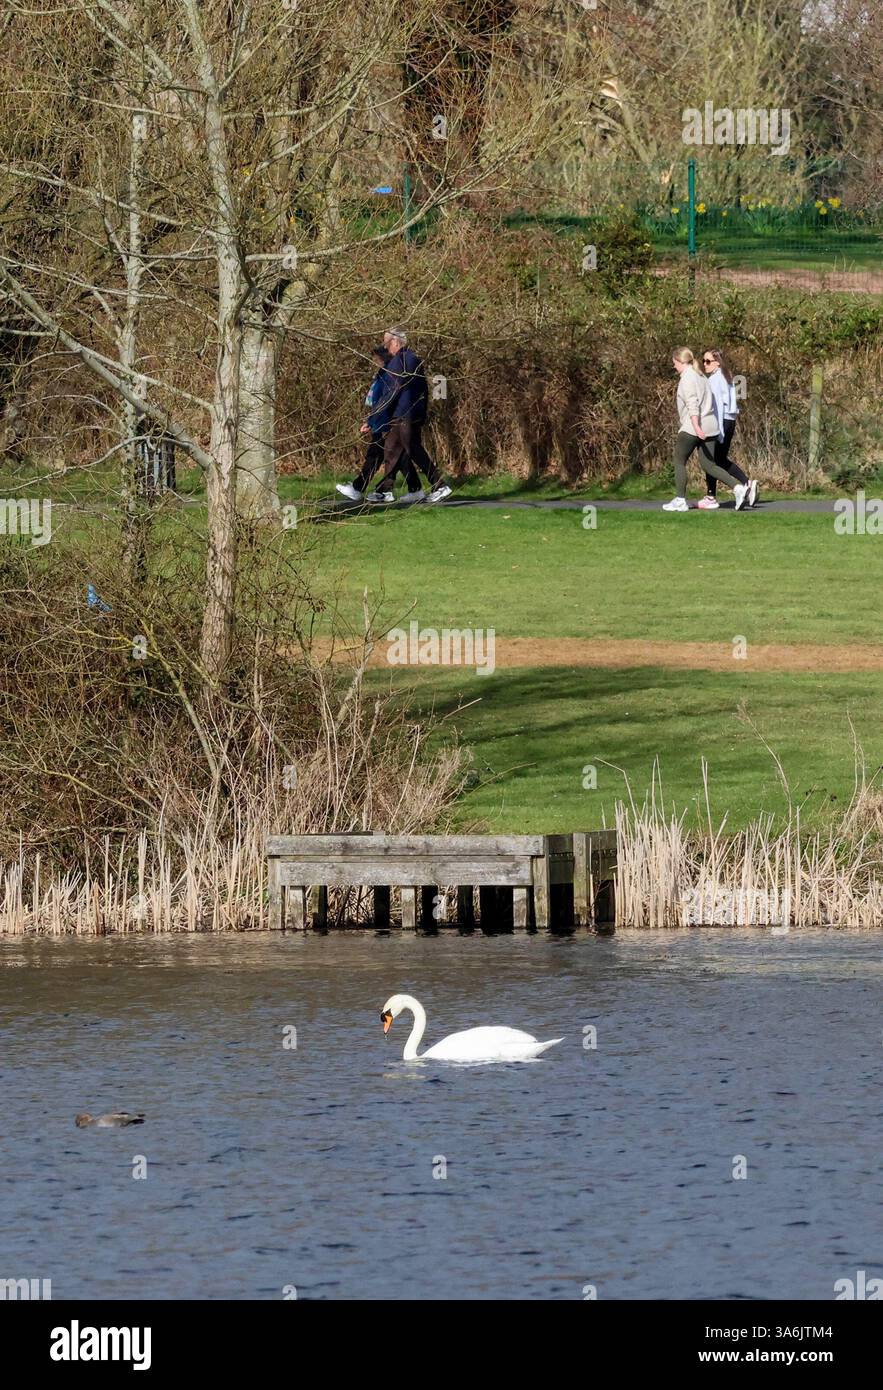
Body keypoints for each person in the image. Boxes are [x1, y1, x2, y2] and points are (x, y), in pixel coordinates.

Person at [371, 326, 452, 504]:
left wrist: (377, 414)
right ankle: (387, 490)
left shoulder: (401, 360)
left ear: (395, 342)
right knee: (391, 449)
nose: (385, 348)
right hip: (407, 412)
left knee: (413, 448)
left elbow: (392, 390)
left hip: (404, 413)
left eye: (386, 343)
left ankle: (439, 485)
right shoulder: (412, 359)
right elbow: (421, 389)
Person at [662, 347, 749, 512]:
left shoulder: (687, 378)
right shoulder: (701, 375)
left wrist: (695, 426)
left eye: (674, 363)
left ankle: (680, 500)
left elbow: (692, 404)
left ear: (681, 362)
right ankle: (739, 488)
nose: (674, 367)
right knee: (709, 465)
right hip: (711, 425)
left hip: (694, 426)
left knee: (679, 460)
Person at [698, 348, 758, 510]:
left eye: (708, 361)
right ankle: (747, 483)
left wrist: (719, 432)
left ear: (717, 362)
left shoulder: (715, 379)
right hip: (730, 421)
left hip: (721, 422)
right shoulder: (728, 376)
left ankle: (711, 496)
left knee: (710, 460)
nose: (705, 364)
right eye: (703, 361)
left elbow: (717, 406)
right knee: (720, 460)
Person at [336, 346, 394, 503]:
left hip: (383, 422)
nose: (374, 361)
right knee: (395, 457)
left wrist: (372, 422)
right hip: (380, 421)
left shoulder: (387, 375)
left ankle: (358, 488)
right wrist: (370, 421)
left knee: (375, 456)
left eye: (376, 358)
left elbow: (383, 402)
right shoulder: (383, 374)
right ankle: (413, 488)